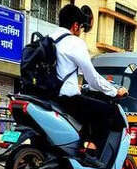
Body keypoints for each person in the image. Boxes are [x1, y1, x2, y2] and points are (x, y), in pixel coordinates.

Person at [51, 2, 128, 159]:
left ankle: (80, 146)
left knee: (88, 108)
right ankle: (92, 153)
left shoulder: (49, 38)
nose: (81, 32)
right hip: (66, 99)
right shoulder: (75, 42)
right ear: (75, 26)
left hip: (48, 96)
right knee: (108, 111)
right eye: (80, 28)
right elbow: (92, 78)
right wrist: (115, 91)